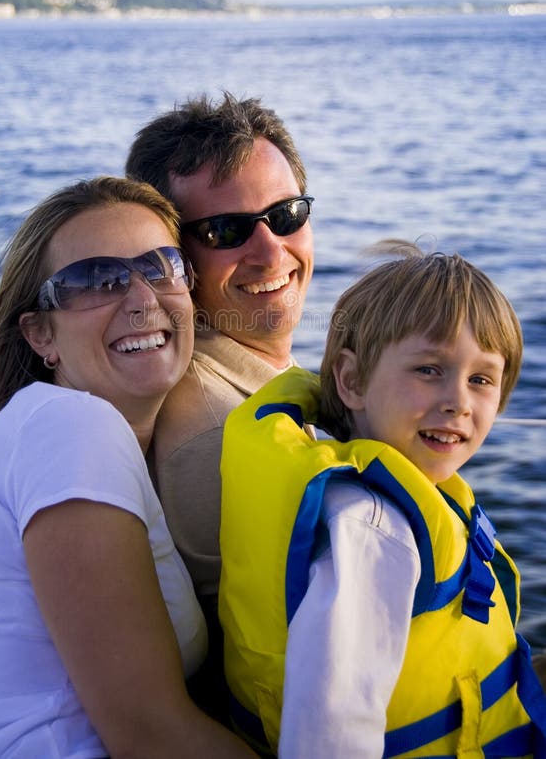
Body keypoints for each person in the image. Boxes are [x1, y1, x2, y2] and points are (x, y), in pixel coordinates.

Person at [0, 177, 256, 758]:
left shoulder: (88, 441)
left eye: (163, 267)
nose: (143, 299)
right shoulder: (70, 426)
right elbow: (150, 735)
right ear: (41, 334)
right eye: (95, 281)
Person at [219, 240, 546, 757]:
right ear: (352, 381)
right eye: (429, 370)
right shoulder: (372, 531)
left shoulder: (382, 496)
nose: (458, 402)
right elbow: (330, 736)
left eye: (481, 379)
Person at [126, 94, 314, 715]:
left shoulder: (262, 386)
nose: (271, 252)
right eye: (226, 231)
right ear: (172, 261)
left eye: (286, 215)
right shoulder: (218, 434)